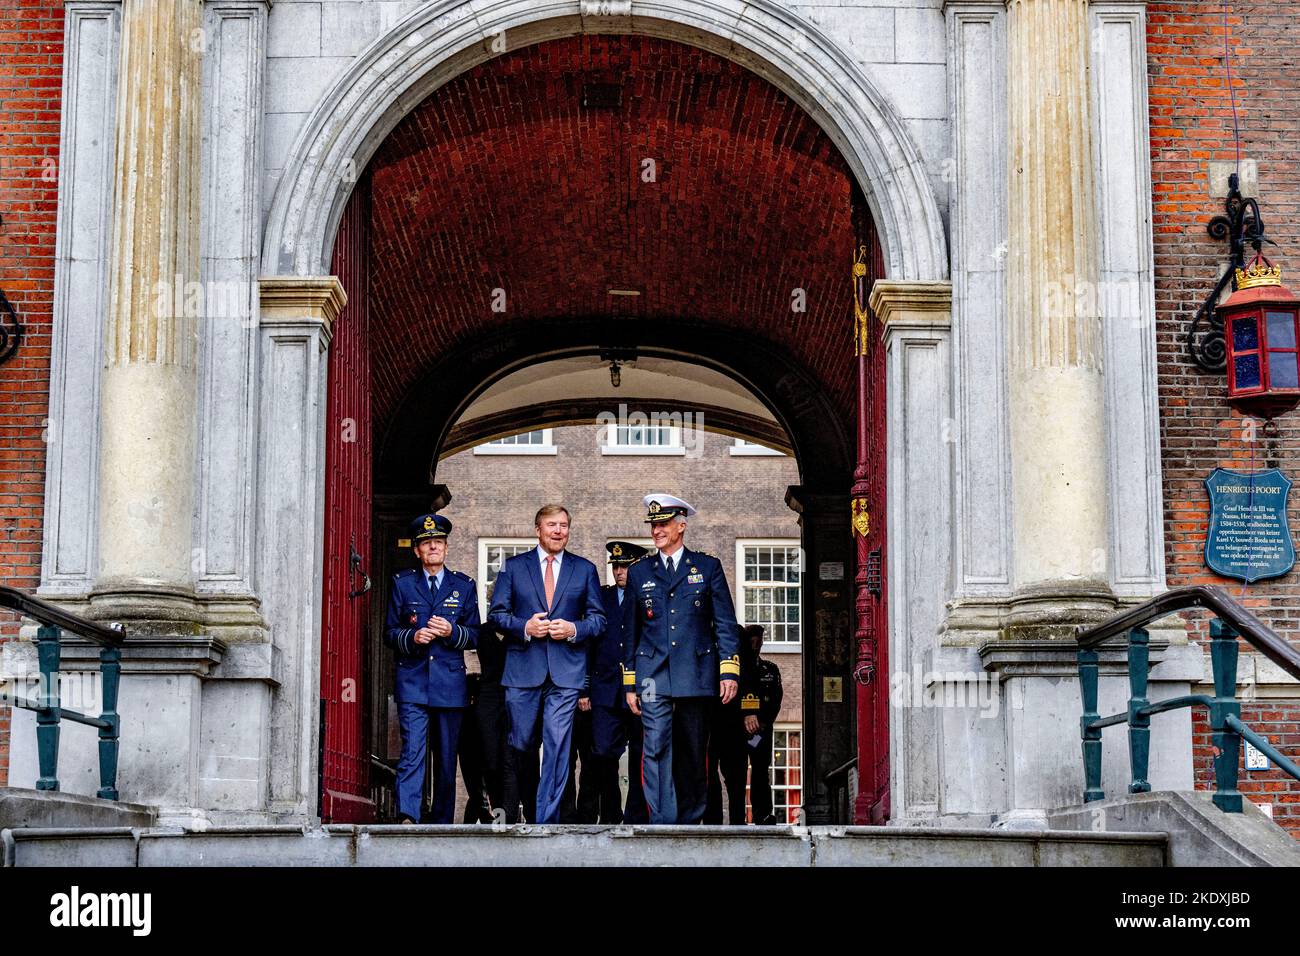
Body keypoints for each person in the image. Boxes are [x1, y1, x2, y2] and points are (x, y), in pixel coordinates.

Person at [623, 494, 740, 824]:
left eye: (662, 525)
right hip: (651, 676)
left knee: (693, 752)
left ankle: (690, 822)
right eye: (653, 526)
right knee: (654, 748)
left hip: (696, 672)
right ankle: (662, 822)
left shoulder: (707, 567)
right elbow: (630, 631)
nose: (656, 531)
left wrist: (728, 671)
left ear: (681, 526)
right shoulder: (639, 572)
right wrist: (630, 683)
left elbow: (725, 623)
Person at [489, 504, 606, 824]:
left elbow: (598, 620)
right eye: (552, 524)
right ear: (537, 529)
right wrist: (525, 627)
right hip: (522, 671)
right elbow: (496, 615)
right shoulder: (513, 567)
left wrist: (574, 629)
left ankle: (545, 821)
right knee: (521, 745)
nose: (559, 530)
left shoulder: (584, 569)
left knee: (558, 746)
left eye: (564, 525)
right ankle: (529, 803)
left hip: (567, 673)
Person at [383, 513, 480, 824]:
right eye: (427, 544)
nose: (433, 548)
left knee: (447, 758)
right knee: (413, 751)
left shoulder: (463, 586)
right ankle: (408, 815)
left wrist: (452, 632)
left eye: (438, 542)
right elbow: (390, 632)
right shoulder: (403, 584)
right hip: (413, 681)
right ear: (417, 551)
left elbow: (476, 633)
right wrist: (414, 636)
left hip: (450, 685)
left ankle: (440, 821)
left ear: (446, 548)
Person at [589, 541, 650, 824]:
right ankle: (611, 813)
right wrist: (585, 686)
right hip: (604, 687)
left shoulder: (649, 596)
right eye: (615, 566)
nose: (619, 571)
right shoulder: (600, 597)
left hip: (639, 689)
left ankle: (635, 815)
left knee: (640, 753)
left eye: (624, 565)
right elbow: (588, 644)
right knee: (602, 752)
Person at [741, 624, 784, 824]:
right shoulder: (736, 669)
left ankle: (763, 814)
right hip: (738, 730)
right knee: (738, 773)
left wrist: (765, 722)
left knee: (760, 772)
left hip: (762, 731)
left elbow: (776, 698)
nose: (756, 645)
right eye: (753, 641)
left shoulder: (770, 669)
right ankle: (737, 816)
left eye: (759, 641)